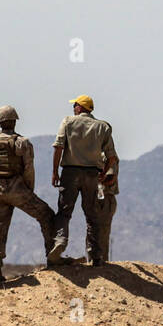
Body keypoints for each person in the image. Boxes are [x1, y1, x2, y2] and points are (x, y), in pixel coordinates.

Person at [0, 105, 55, 283]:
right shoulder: (22, 142)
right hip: (17, 188)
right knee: (46, 215)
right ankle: (53, 258)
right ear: (14, 122)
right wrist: (28, 190)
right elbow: (28, 168)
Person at [50, 94, 118, 267]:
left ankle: (59, 242)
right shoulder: (102, 127)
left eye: (75, 105)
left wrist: (55, 171)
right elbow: (112, 157)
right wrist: (102, 173)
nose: (73, 108)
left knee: (64, 212)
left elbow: (58, 147)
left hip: (70, 173)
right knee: (92, 215)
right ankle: (96, 256)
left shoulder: (68, 121)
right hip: (91, 175)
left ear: (80, 107)